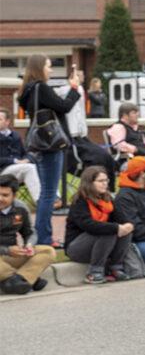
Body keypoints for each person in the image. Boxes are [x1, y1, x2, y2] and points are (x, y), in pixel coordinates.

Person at [18, 55, 80, 246]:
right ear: (39, 68)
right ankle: (43, 237)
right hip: (50, 144)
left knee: (47, 192)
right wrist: (74, 88)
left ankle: (42, 235)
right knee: (49, 194)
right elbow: (64, 107)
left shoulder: (27, 89)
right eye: (48, 66)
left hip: (39, 144)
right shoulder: (42, 88)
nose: (51, 70)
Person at [64, 166, 134, 284]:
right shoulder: (80, 201)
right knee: (109, 231)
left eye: (106, 180)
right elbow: (88, 225)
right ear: (89, 183)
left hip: (101, 246)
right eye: (101, 181)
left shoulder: (107, 199)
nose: (105, 184)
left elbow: (122, 217)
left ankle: (116, 268)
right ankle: (94, 272)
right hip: (77, 248)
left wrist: (128, 225)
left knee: (125, 231)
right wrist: (116, 228)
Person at [56, 77, 118, 192]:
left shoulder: (79, 95)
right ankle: (96, 190)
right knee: (98, 158)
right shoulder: (62, 99)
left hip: (80, 139)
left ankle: (109, 191)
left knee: (106, 156)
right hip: (70, 144)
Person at [0, 174, 55, 294]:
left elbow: (30, 232)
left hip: (13, 255)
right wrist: (7, 250)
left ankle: (16, 280)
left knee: (48, 251)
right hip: (5, 253)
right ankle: (29, 280)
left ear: (15, 195)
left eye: (5, 195)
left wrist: (29, 245)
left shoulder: (21, 208)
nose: (0, 198)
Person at [0, 106, 42, 204]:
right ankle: (41, 202)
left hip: (18, 170)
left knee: (43, 167)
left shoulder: (15, 135)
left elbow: (25, 153)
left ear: (7, 121)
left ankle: (55, 199)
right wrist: (15, 161)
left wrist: (27, 159)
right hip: (2, 171)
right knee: (29, 168)